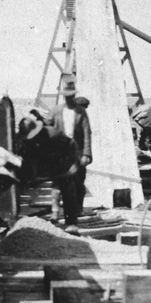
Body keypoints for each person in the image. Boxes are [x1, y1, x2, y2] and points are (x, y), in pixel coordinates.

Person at [18, 113, 83, 234]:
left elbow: (72, 144)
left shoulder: (54, 134)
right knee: (54, 189)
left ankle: (71, 223)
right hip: (47, 166)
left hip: (63, 164)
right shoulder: (26, 141)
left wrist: (74, 163)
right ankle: (53, 214)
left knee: (68, 190)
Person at [46, 77, 92, 218]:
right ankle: (55, 212)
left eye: (71, 96)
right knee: (57, 184)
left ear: (74, 95)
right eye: (66, 96)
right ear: (63, 96)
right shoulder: (56, 111)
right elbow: (47, 127)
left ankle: (78, 210)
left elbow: (87, 134)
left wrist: (86, 154)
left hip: (77, 154)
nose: (68, 98)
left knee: (78, 183)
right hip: (60, 154)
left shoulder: (81, 112)